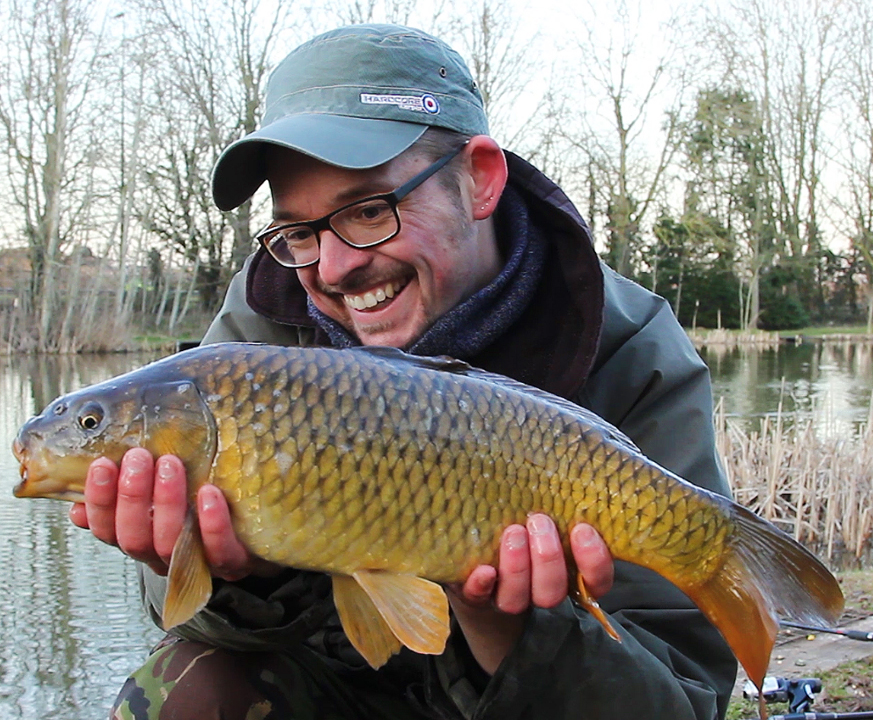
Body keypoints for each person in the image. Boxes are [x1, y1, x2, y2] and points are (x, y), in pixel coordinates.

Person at [70, 23, 737, 720]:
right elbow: (191, 619)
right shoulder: (258, 330)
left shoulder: (628, 347)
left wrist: (515, 632)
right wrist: (233, 572)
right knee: (183, 688)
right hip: (340, 688)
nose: (333, 268)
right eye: (299, 231)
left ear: (479, 180)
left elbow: (682, 699)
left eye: (369, 210)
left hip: (528, 700)